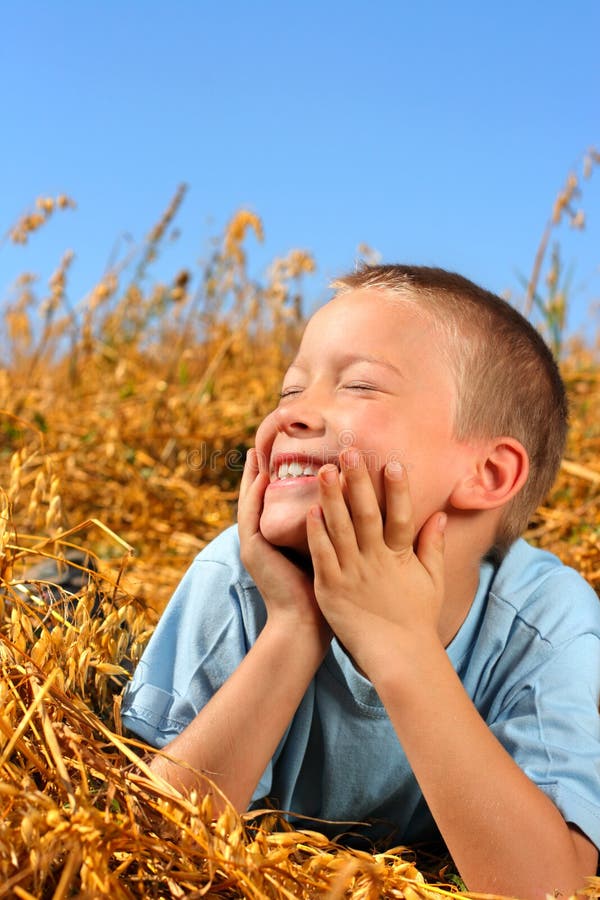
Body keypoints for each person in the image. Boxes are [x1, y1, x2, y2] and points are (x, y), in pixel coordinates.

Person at [121, 265, 600, 898]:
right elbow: (144, 840)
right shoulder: (239, 574)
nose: (293, 414)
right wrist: (296, 626)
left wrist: (398, 641)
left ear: (487, 473)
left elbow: (549, 885)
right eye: (291, 392)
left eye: (360, 386)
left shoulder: (545, 618)